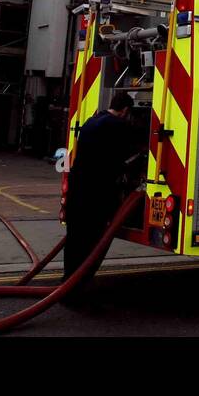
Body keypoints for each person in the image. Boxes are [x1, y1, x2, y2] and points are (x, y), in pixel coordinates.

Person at [63, 91, 143, 298]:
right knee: (92, 241)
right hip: (95, 194)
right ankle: (79, 286)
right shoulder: (117, 125)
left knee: (74, 239)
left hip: (77, 189)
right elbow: (133, 147)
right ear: (125, 110)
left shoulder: (93, 120)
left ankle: (68, 282)